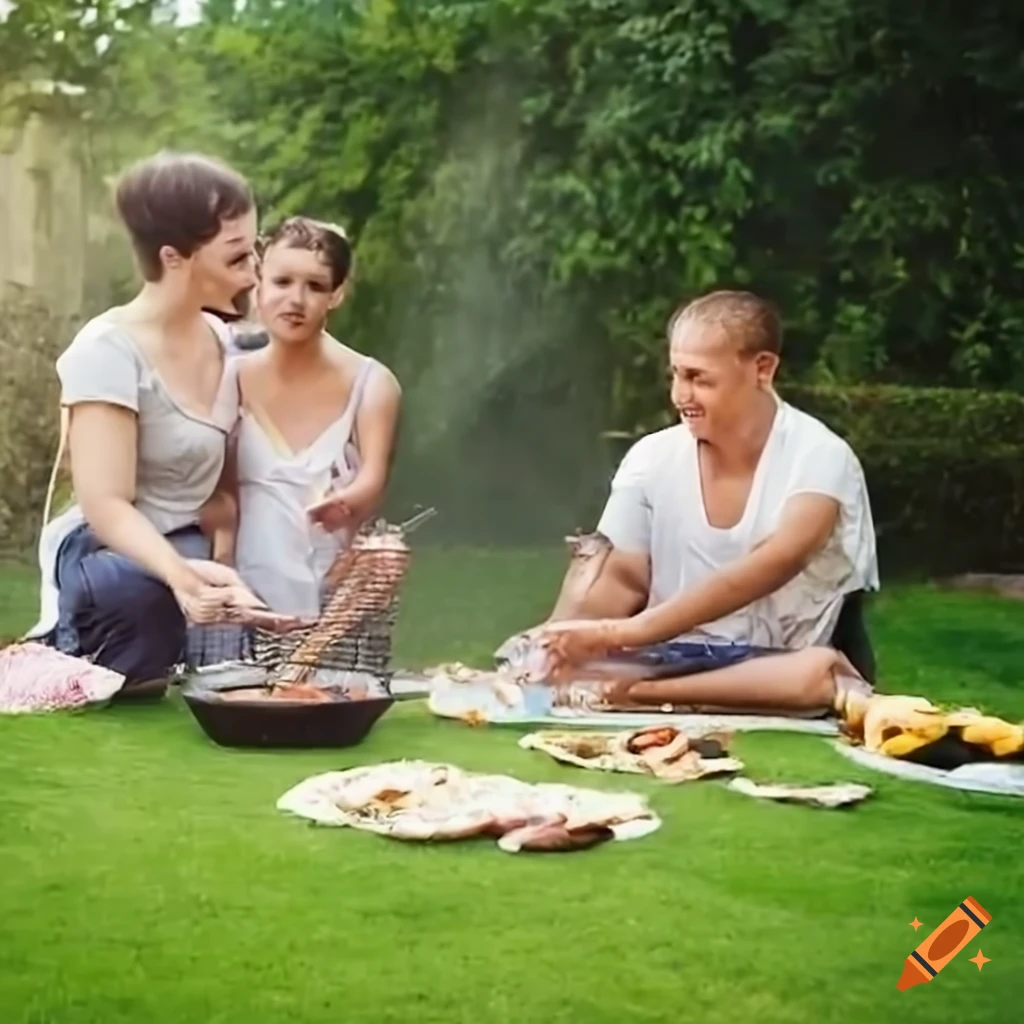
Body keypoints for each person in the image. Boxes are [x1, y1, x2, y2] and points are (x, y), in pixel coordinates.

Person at [529, 290, 879, 713]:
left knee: (815, 673)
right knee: (560, 668)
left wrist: (619, 633)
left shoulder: (821, 457)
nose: (680, 395)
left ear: (762, 369)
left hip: (774, 668)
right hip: (666, 660)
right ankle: (629, 688)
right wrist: (562, 640)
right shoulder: (651, 457)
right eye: (675, 374)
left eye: (699, 378)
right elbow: (621, 579)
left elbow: (769, 566)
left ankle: (634, 694)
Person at [27, 151, 266, 693]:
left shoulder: (229, 343)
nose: (255, 271)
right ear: (174, 258)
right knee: (143, 597)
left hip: (190, 539)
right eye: (236, 257)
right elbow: (106, 505)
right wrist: (182, 578)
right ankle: (76, 651)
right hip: (109, 549)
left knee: (255, 604)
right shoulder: (108, 351)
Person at [220, 216, 402, 619]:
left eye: (315, 286)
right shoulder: (229, 379)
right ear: (259, 281)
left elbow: (373, 478)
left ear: (336, 295)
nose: (296, 300)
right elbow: (220, 492)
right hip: (245, 599)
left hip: (335, 598)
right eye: (282, 282)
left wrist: (350, 501)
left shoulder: (372, 383)